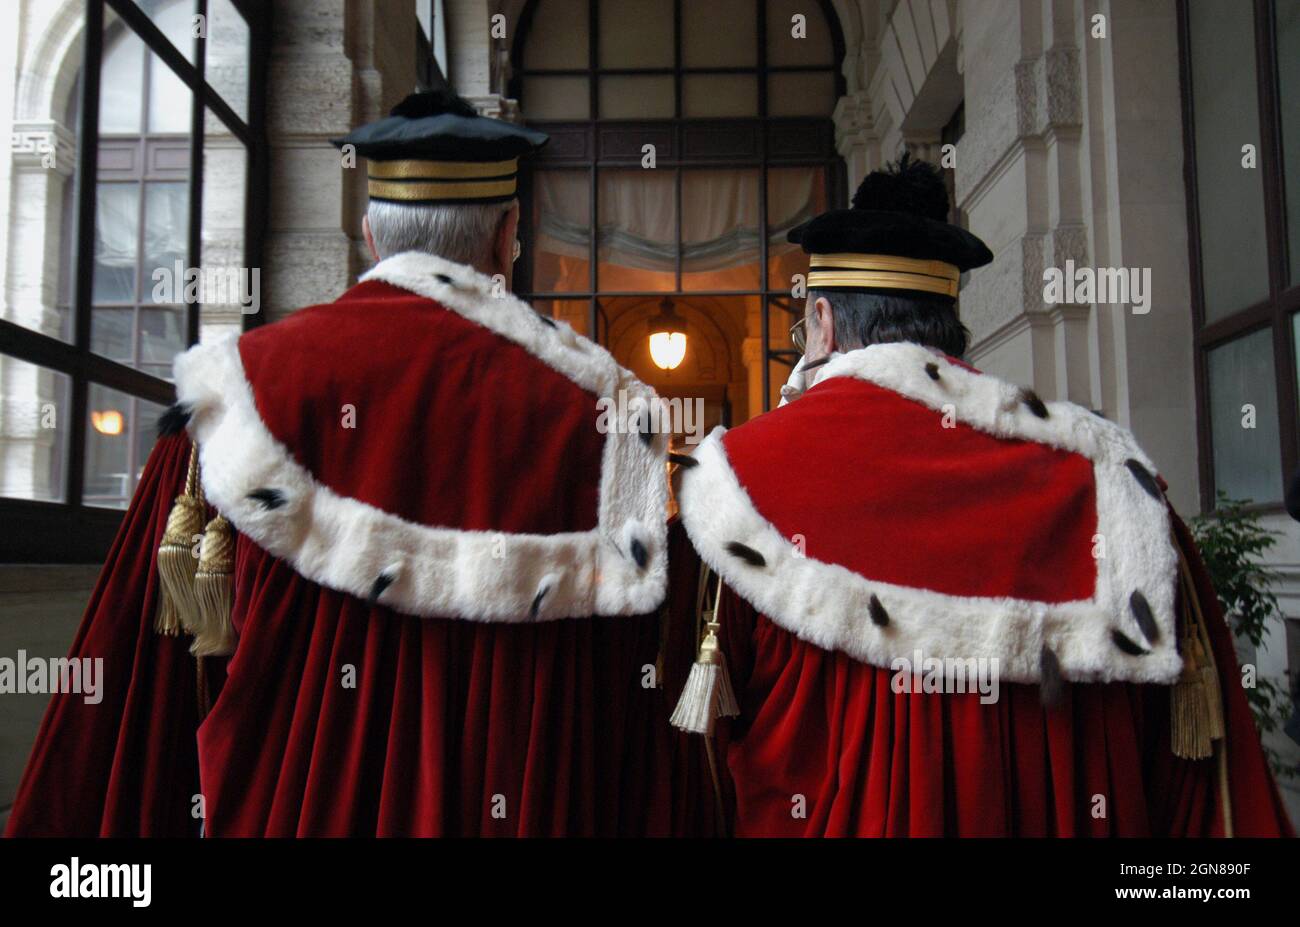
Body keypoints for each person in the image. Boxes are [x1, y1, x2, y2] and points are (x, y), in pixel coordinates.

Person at [7, 89, 698, 836]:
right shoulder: (608, 418)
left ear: (372, 235)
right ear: (508, 236)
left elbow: (131, 725)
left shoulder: (236, 396)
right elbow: (635, 738)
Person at [668, 153, 1294, 836]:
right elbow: (1205, 796)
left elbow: (699, 766)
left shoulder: (737, 482)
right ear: (949, 322)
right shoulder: (1110, 478)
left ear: (823, 321)